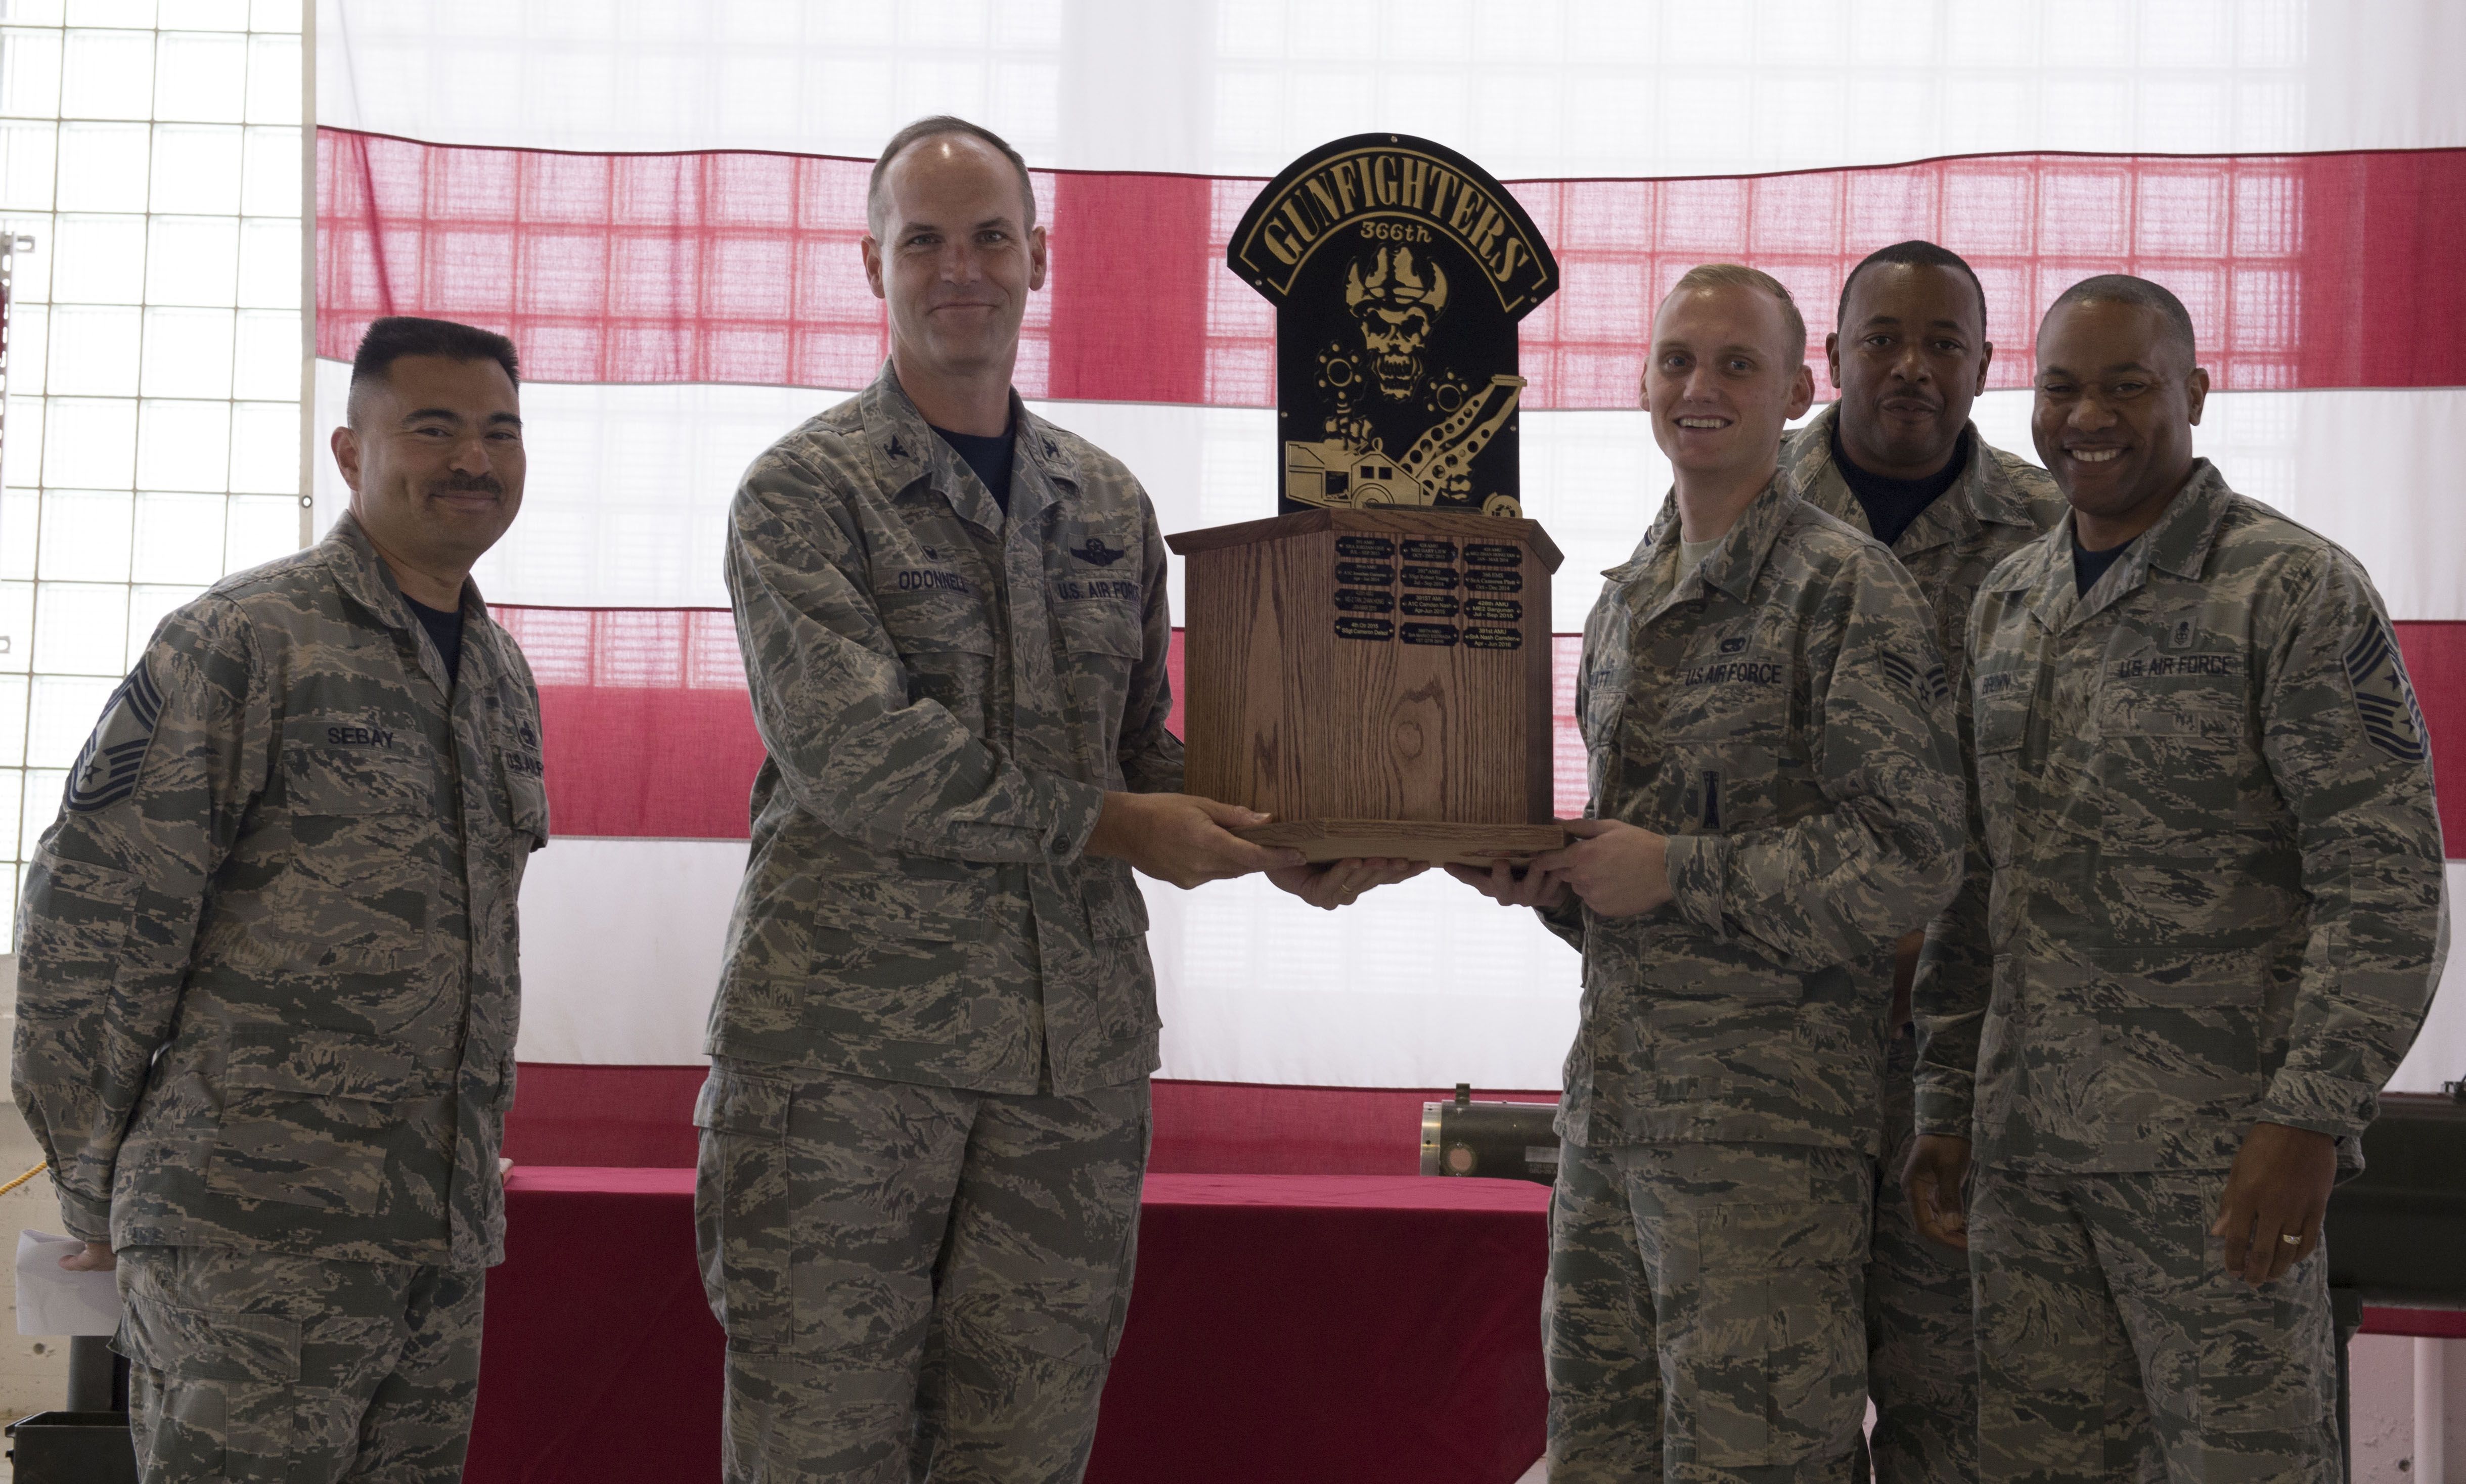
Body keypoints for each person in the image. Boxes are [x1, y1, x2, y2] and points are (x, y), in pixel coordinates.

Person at [700, 114, 1413, 1484]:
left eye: (986, 236)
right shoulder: (803, 496)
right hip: (849, 1068)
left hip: (1063, 1076)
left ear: (1038, 254)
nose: (957, 267)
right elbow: (853, 749)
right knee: (818, 1454)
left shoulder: (1107, 503)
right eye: (922, 240)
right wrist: (1110, 826)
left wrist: (1288, 841)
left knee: (1021, 1454)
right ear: (871, 265)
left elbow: (1139, 750)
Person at [1904, 275, 2448, 1484]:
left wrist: (2310, 1115)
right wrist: (1946, 1098)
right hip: (2029, 1161)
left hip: (2218, 1171)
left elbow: (2387, 884)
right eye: (2061, 386)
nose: (2087, 414)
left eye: (2127, 383)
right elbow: (1976, 891)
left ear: (2194, 391)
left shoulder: (2291, 590)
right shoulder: (2009, 602)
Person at [1451, 263, 1965, 1483]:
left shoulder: (1845, 589)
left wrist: (1677, 871)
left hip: (1766, 1152)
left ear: (1798, 386)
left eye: (1738, 363)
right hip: (1614, 1124)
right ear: (1641, 379)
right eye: (1678, 358)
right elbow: (1638, 884)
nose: (1701, 386)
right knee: (1600, 1457)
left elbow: (1911, 864)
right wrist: (1559, 882)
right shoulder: (1626, 597)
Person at [10, 316, 545, 1482]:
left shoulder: (499, 678)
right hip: (244, 1237)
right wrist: (99, 1182)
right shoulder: (247, 639)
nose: (474, 459)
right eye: (435, 428)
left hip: (431, 1246)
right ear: (353, 453)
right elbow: (94, 922)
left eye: (500, 431)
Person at [1778, 240, 2066, 1484]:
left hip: (1973, 1055)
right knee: (1774, 1401)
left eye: (1943, 343)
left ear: (1987, 367)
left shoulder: (2052, 536)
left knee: (1961, 1404)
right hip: (1776, 1040)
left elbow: (2064, 803)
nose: (1910, 367)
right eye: (1881, 339)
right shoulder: (1741, 506)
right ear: (1829, 359)